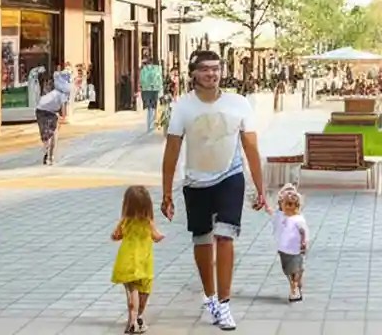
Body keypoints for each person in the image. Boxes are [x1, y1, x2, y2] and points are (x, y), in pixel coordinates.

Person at [162, 50, 268, 331]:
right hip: (196, 182)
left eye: (216, 69)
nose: (212, 73)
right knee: (202, 240)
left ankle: (224, 304)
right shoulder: (183, 107)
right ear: (193, 73)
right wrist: (166, 194)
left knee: (225, 237)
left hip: (230, 178)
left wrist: (261, 188)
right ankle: (209, 296)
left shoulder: (239, 103)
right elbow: (171, 151)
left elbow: (251, 148)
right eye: (205, 69)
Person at [111, 185, 165, 334]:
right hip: (144, 262)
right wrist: (161, 236)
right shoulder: (148, 222)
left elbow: (115, 236)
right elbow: (157, 237)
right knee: (145, 290)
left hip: (127, 261)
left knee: (132, 290)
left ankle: (133, 319)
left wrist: (118, 236)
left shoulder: (125, 221)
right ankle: (138, 316)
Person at [273, 184, 309, 302]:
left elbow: (303, 231)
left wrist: (304, 242)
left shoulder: (298, 219)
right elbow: (273, 209)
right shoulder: (280, 215)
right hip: (284, 250)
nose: (289, 207)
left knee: (295, 270)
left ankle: (294, 289)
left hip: (296, 249)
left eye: (292, 205)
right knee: (289, 270)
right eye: (286, 204)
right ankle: (296, 284)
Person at [36, 75, 69, 166]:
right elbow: (64, 112)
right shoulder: (63, 95)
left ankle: (47, 152)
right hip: (48, 111)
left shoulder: (55, 92)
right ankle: (50, 156)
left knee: (46, 134)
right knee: (54, 134)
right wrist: (63, 117)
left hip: (40, 110)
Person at [140, 54, 164, 135]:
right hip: (155, 89)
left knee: (149, 107)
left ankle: (148, 124)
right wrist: (161, 89)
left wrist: (142, 87)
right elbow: (159, 79)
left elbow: (141, 80)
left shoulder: (143, 69)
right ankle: (152, 123)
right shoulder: (157, 69)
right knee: (154, 107)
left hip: (146, 90)